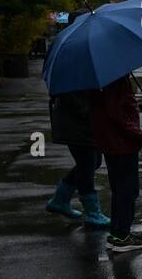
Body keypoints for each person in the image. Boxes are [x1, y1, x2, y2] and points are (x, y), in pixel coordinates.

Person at [90, 74, 142, 253]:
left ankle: (118, 233)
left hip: (110, 143)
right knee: (128, 190)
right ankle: (121, 236)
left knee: (119, 189)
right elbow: (120, 116)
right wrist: (141, 139)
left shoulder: (102, 79)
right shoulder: (117, 79)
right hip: (122, 144)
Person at [45, 89, 111, 227]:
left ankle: (60, 199)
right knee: (86, 163)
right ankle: (92, 213)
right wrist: (89, 111)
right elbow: (71, 97)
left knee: (94, 162)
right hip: (76, 123)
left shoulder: (84, 71)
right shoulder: (70, 74)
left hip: (84, 122)